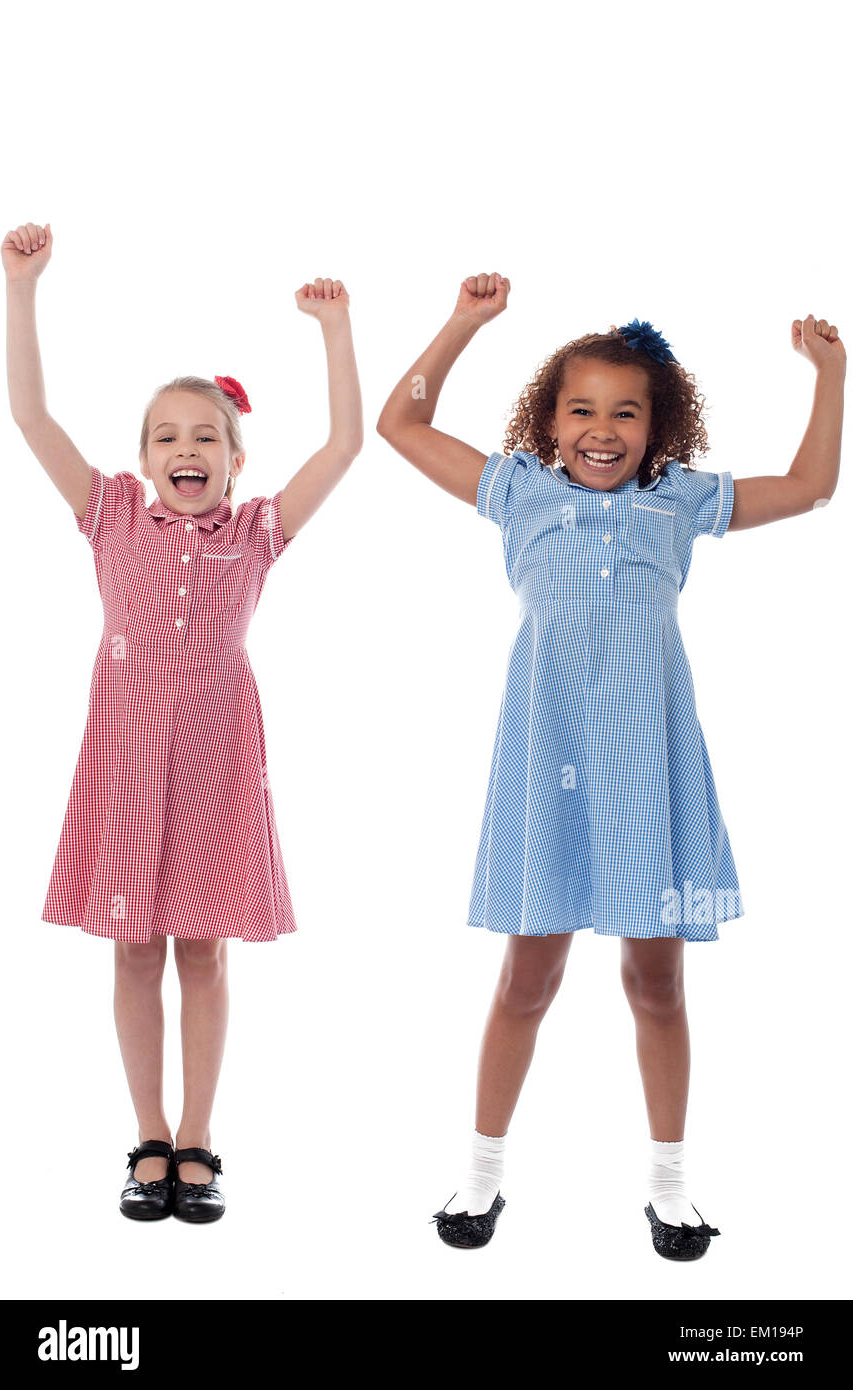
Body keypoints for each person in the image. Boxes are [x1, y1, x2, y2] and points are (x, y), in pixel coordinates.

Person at [377, 272, 844, 1258]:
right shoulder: (517, 492)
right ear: (548, 422)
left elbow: (809, 488)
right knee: (524, 978)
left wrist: (828, 376)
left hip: (646, 770)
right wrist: (463, 322)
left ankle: (670, 1187)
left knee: (657, 985)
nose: (602, 428)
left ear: (656, 424)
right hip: (549, 768)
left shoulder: (678, 502)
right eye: (580, 409)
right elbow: (400, 426)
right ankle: (479, 1176)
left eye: (625, 411)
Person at [4, 219, 363, 1223]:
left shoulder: (257, 531)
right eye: (166, 436)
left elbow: (345, 443)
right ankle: (148, 1134)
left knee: (203, 947)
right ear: (143, 458)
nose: (185, 449)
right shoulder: (111, 512)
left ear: (237, 459)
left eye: (205, 435)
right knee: (130, 949)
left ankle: (199, 1135)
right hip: (122, 760)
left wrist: (334, 331)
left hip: (214, 762)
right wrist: (21, 288)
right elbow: (30, 416)